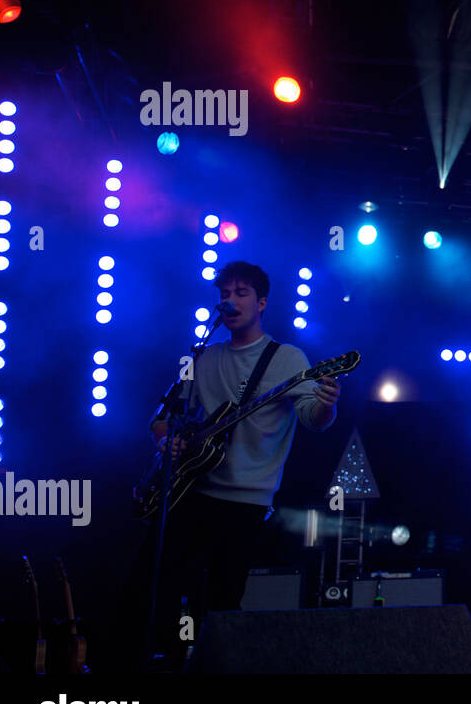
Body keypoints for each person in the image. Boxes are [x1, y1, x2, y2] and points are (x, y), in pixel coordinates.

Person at [115, 261, 340, 669]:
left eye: (240, 293)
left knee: (220, 603)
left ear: (262, 303)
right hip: (191, 491)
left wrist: (326, 406)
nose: (229, 301)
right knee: (144, 585)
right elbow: (160, 418)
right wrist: (171, 442)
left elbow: (312, 420)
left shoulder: (287, 358)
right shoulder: (202, 356)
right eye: (223, 294)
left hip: (245, 503)